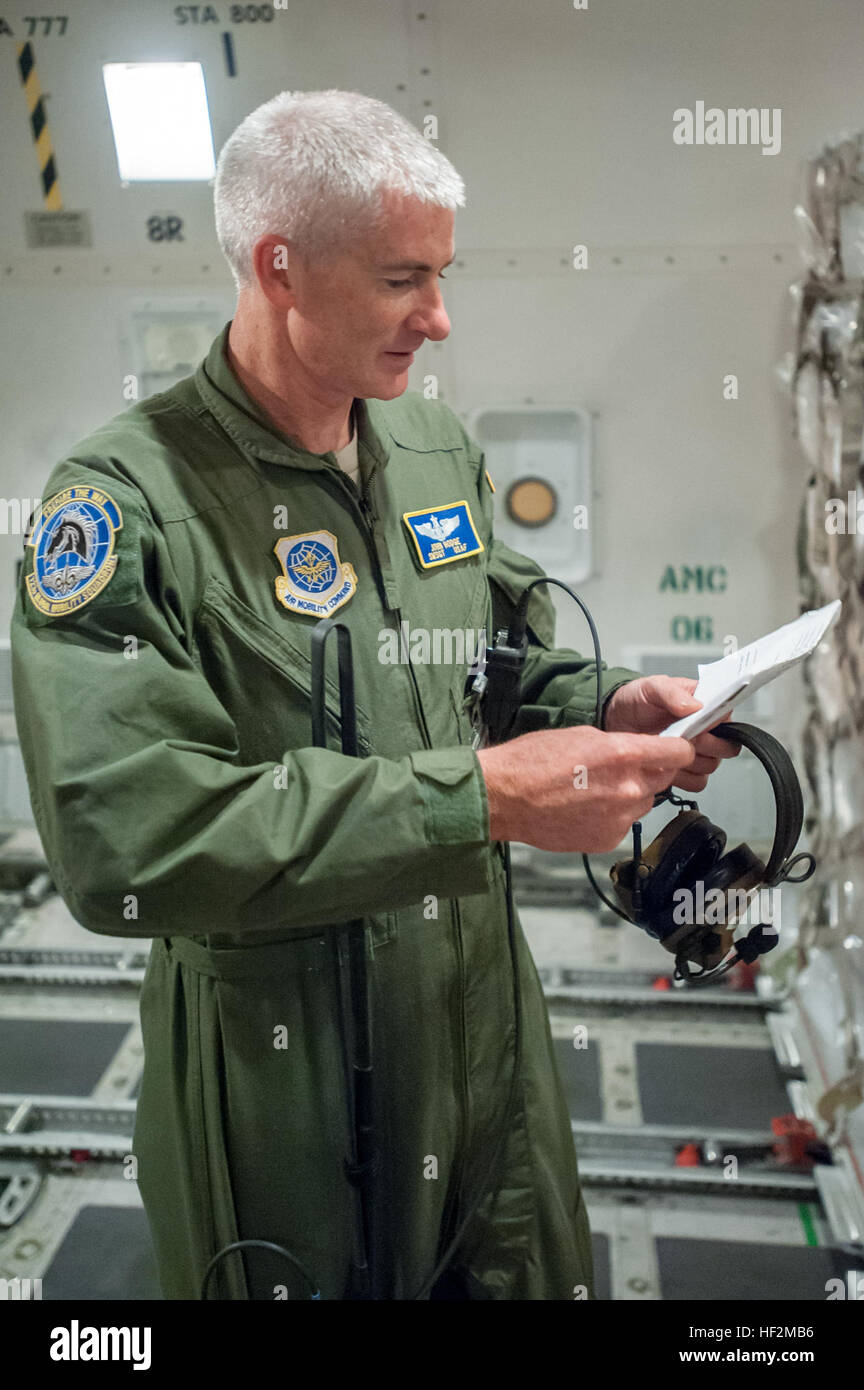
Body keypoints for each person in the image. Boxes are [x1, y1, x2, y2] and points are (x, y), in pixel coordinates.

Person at [10, 89, 737, 1300]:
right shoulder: (122, 508)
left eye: (443, 277)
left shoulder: (432, 453)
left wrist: (609, 704)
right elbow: (122, 840)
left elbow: (491, 672)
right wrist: (478, 805)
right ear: (277, 265)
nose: (439, 320)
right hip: (279, 1096)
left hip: (484, 1046)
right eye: (404, 280)